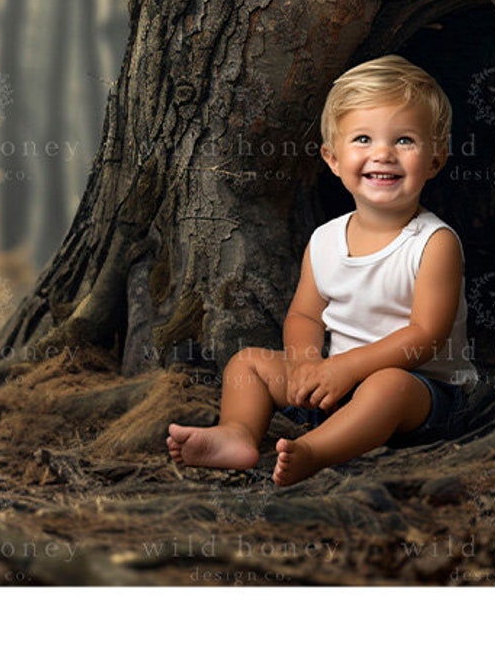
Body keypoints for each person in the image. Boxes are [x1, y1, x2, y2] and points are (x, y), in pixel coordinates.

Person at [167, 55, 477, 486]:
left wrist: (345, 369)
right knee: (248, 363)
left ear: (435, 160)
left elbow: (425, 337)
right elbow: (305, 316)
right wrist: (306, 364)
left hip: (423, 394)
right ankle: (237, 435)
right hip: (335, 383)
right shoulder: (326, 240)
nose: (383, 154)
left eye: (404, 140)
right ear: (332, 159)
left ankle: (315, 451)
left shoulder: (433, 243)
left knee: (386, 385)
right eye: (363, 139)